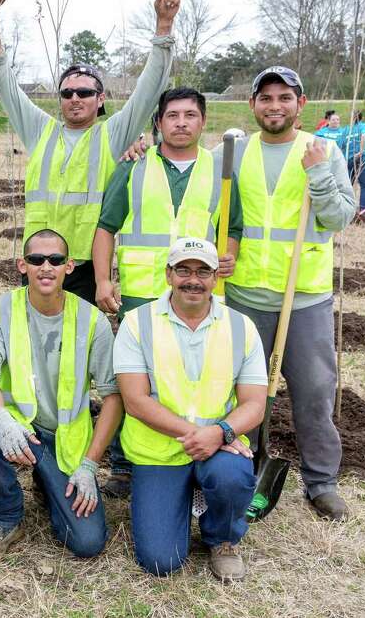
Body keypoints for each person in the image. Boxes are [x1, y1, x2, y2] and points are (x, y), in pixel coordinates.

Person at [0, 0, 181, 302]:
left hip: (84, 264)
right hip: (38, 260)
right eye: (67, 92)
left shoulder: (113, 135)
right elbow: (5, 85)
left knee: (80, 345)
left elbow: (149, 90)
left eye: (85, 92)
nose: (75, 98)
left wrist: (163, 29)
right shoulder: (40, 130)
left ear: (100, 99)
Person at [91, 86, 242, 497]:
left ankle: (196, 454)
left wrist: (227, 255)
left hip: (198, 296)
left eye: (190, 115)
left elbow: (233, 229)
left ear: (202, 122)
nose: (180, 122)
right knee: (134, 382)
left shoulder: (220, 172)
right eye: (172, 115)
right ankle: (124, 465)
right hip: (141, 294)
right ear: (158, 123)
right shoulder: (133, 167)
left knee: (192, 376)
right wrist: (104, 280)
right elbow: (106, 227)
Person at [225, 66, 355, 521]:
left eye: (285, 97)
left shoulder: (325, 151)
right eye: (266, 98)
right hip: (243, 295)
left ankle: (321, 481)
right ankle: (240, 469)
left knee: (315, 390)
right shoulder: (235, 153)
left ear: (301, 104)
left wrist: (318, 175)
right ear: (253, 105)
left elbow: (340, 218)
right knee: (240, 394)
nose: (274, 106)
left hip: (304, 296)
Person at [115, 237, 267, 583]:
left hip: (219, 446)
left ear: (216, 277)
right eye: (183, 269)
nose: (192, 279)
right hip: (160, 452)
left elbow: (255, 403)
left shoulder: (242, 326)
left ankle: (221, 537)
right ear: (168, 274)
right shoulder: (137, 323)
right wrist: (198, 435)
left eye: (203, 271)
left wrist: (220, 433)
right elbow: (135, 401)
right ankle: (178, 500)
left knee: (231, 475)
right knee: (160, 560)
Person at [0, 229, 119, 560]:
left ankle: (48, 484)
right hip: (20, 428)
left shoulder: (93, 320)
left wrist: (90, 465)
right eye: (36, 259)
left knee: (87, 542)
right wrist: (3, 421)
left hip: (65, 442)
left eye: (55, 260)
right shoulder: (1, 309)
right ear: (22, 265)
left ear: (70, 266)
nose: (45, 267)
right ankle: (4, 518)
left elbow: (113, 398)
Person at [316, 110, 365, 214]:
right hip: (361, 159)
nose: (336, 121)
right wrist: (361, 151)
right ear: (361, 118)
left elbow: (340, 146)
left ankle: (344, 208)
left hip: (348, 161)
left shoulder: (346, 130)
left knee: (347, 186)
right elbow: (364, 136)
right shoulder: (362, 126)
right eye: (334, 119)